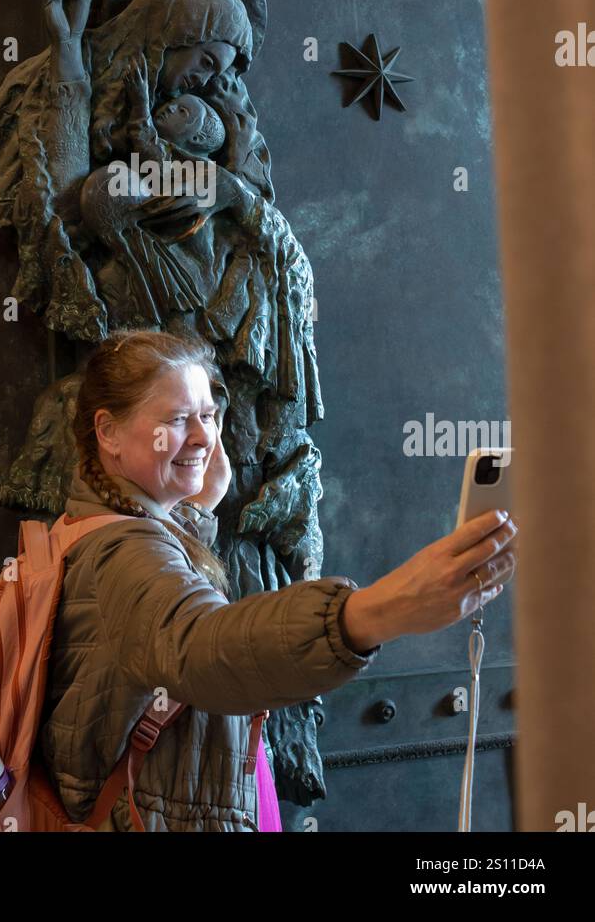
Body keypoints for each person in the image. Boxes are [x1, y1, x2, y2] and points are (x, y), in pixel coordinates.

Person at [37, 327, 518, 831]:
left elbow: (157, 603)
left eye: (208, 415)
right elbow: (196, 645)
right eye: (178, 421)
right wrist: (377, 611)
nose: (204, 437)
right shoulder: (122, 551)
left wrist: (196, 511)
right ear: (108, 432)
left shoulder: (99, 526)